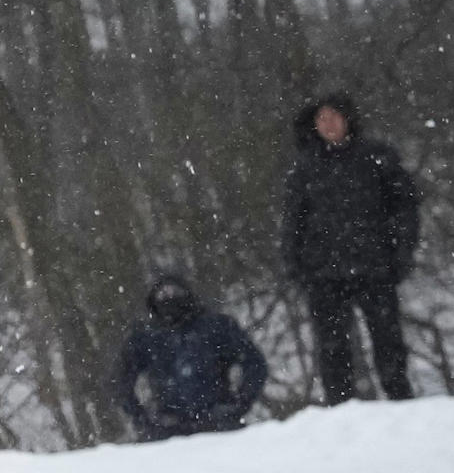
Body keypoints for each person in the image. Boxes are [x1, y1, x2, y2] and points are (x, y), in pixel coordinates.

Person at [280, 93, 422, 402]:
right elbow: (293, 219)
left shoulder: (377, 157)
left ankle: (400, 399)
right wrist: (293, 262)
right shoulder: (305, 167)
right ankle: (340, 407)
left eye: (333, 116)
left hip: (375, 264)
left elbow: (405, 208)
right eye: (321, 119)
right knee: (331, 345)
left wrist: (402, 251)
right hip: (323, 270)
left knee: (387, 338)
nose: (328, 124)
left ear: (348, 119)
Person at [116, 272, 268, 440]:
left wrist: (240, 404)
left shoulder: (216, 326)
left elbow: (254, 363)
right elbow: (120, 381)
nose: (169, 298)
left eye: (175, 292)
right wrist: (143, 420)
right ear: (153, 300)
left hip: (219, 425)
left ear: (187, 294)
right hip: (170, 431)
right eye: (163, 294)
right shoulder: (145, 338)